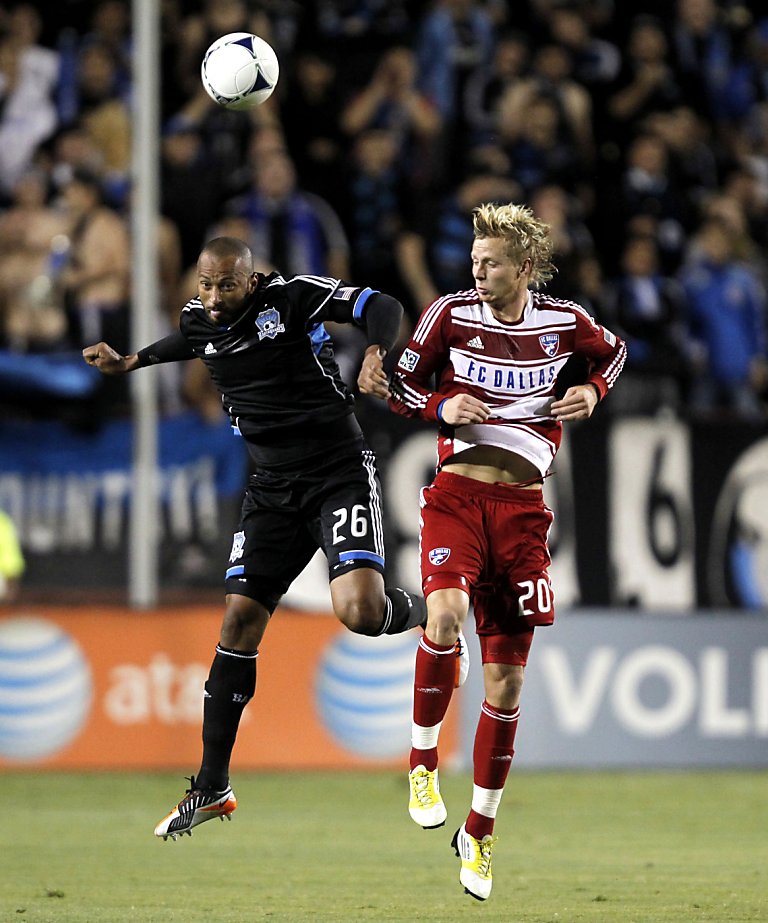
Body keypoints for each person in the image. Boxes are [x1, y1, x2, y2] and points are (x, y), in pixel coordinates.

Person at [82, 235, 467, 840]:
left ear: (252, 279)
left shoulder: (292, 297)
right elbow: (191, 340)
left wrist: (376, 351)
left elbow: (382, 305)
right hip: (271, 488)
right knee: (238, 621)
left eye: (226, 285)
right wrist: (131, 361)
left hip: (337, 470)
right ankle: (212, 787)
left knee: (361, 613)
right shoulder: (199, 317)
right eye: (205, 285)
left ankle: (431, 617)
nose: (213, 297)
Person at [380, 203, 626, 901]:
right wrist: (440, 409)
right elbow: (399, 385)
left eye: (490, 263)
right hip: (457, 497)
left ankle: (479, 832)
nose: (477, 273)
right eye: (474, 262)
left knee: (507, 685)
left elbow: (614, 352)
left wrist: (591, 389)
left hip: (522, 514)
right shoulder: (448, 315)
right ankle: (422, 759)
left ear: (525, 267)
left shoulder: (565, 322)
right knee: (444, 615)